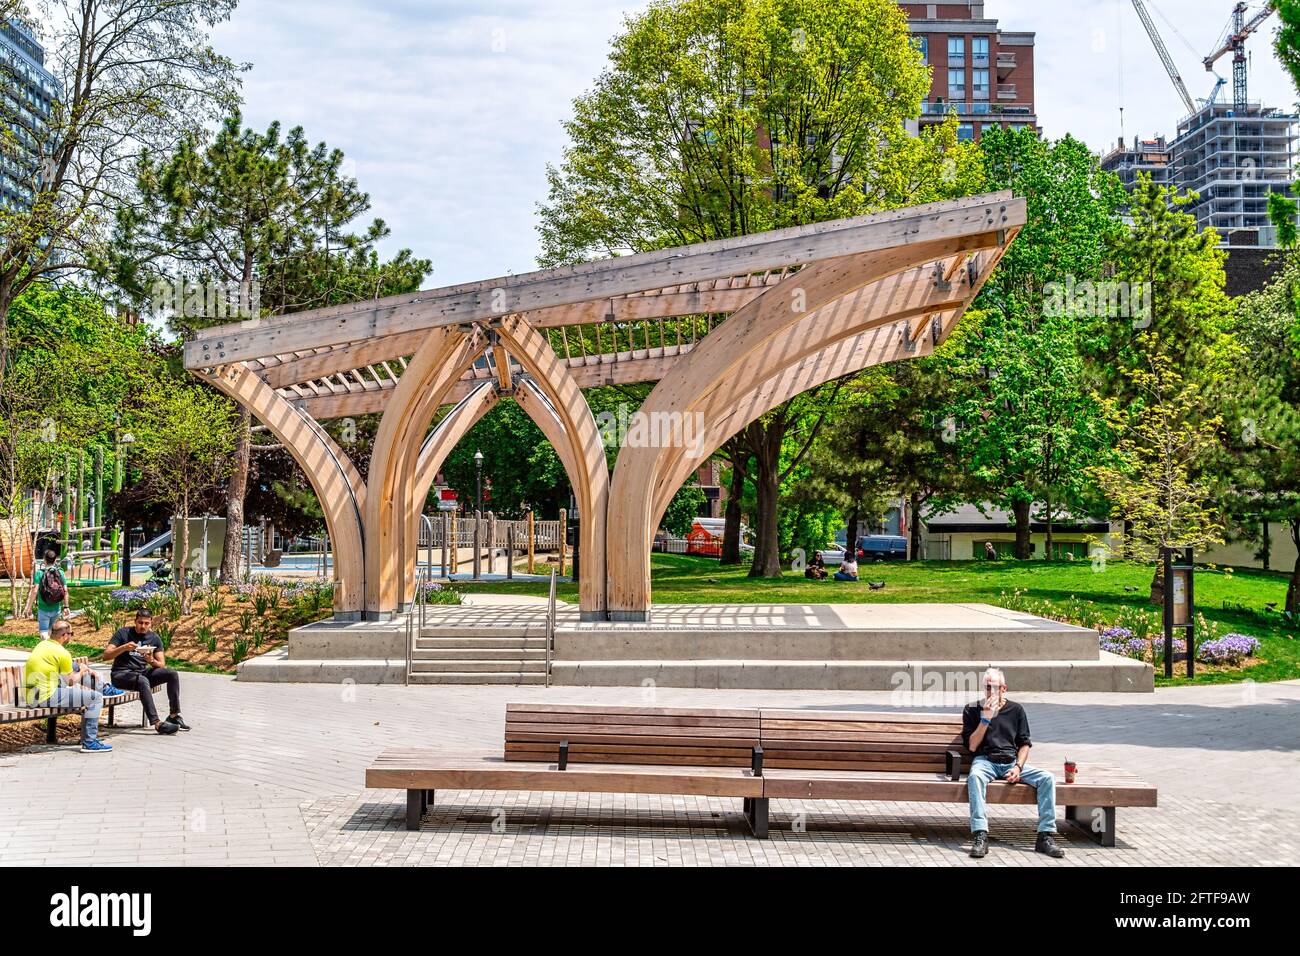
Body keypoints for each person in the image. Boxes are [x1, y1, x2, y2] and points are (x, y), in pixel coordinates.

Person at [961, 667, 1065, 860]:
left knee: (1048, 778)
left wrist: (1018, 767)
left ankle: (1045, 836)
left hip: (1011, 762)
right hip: (986, 761)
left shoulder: (1016, 710)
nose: (991, 692)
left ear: (1004, 688)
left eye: (995, 687)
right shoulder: (972, 710)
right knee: (974, 777)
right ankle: (980, 834)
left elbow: (1025, 744)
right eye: (987, 687)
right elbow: (973, 746)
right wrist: (985, 720)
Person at [24, 619, 124, 753]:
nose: (71, 636)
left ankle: (104, 688)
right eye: (71, 633)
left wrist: (85, 669)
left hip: (32, 696)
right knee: (95, 698)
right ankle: (90, 742)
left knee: (76, 667)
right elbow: (71, 681)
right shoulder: (62, 652)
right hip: (45, 697)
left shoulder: (43, 645)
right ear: (64, 635)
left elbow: (70, 665)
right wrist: (83, 671)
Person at [103, 608, 188, 735]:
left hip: (141, 673)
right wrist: (124, 647)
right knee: (142, 680)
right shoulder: (123, 633)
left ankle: (174, 715)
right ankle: (157, 724)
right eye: (140, 623)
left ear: (151, 622)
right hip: (121, 674)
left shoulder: (154, 638)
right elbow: (106, 655)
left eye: (146, 623)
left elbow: (161, 664)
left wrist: (150, 660)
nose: (143, 626)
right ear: (135, 621)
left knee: (172, 674)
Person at [23, 549, 69, 638]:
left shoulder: (39, 573)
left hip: (43, 609)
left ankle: (45, 646)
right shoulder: (61, 572)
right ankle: (52, 649)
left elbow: (35, 591)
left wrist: (29, 607)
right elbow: (65, 591)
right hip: (56, 609)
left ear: (44, 560)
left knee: (44, 631)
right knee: (52, 632)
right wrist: (66, 607)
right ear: (56, 560)